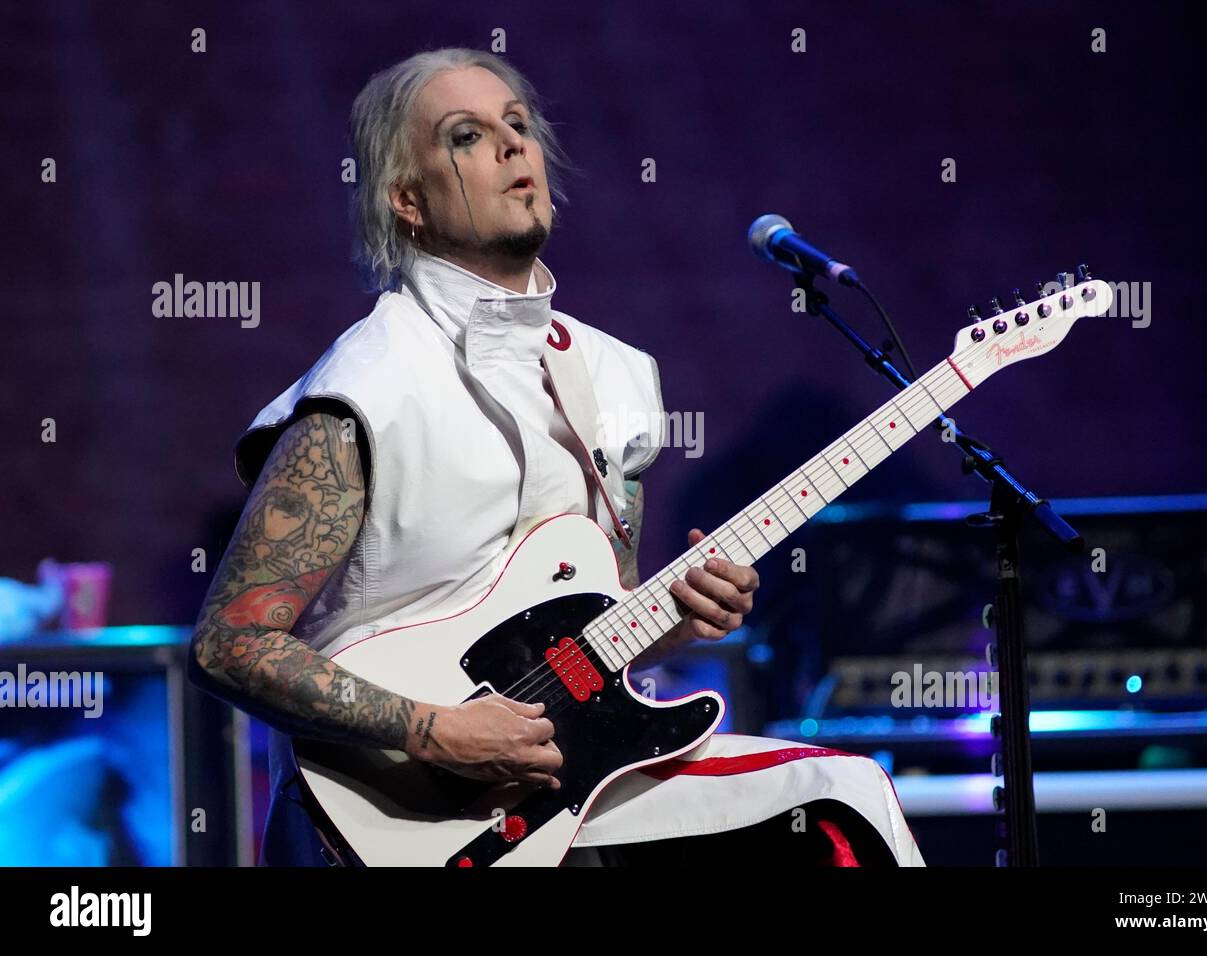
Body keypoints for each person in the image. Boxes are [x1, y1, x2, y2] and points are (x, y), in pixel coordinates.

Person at [188, 47, 923, 867]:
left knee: (845, 799)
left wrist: (676, 617)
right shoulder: (365, 388)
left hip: (556, 799)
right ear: (407, 200)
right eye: (467, 135)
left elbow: (593, 631)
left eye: (518, 125)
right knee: (841, 797)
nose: (512, 147)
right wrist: (437, 732)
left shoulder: (610, 375)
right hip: (378, 822)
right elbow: (231, 645)